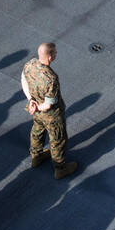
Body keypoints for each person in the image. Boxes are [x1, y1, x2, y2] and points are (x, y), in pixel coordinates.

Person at [21, 42, 78, 179]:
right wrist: (39, 106)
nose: (56, 54)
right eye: (55, 52)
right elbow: (49, 104)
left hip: (35, 111)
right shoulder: (51, 78)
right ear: (50, 57)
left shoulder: (30, 64)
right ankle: (60, 168)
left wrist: (31, 102)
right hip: (52, 116)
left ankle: (36, 156)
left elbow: (23, 80)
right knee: (58, 139)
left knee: (37, 131)